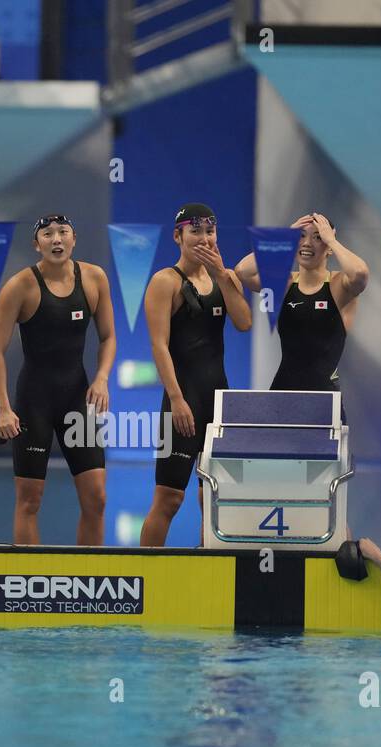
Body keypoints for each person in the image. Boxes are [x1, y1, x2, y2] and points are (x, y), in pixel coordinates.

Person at [0, 214, 116, 544]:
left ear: (74, 239)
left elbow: (108, 337)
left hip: (78, 399)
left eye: (63, 233)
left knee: (96, 498)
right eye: (47, 234)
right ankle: (29, 582)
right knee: (29, 501)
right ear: (36, 245)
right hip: (35, 402)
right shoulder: (20, 286)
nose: (56, 239)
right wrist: (3, 408)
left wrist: (101, 379)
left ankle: (88, 580)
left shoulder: (94, 278)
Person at [139, 203, 252, 547]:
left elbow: (244, 322)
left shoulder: (226, 277)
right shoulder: (165, 282)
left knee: (213, 499)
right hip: (182, 400)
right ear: (178, 236)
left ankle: (208, 570)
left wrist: (222, 274)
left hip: (218, 400)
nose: (204, 239)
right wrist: (176, 399)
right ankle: (146, 574)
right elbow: (159, 346)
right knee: (169, 498)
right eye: (195, 232)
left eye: (210, 232)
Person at [234, 212, 369, 405]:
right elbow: (242, 271)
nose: (307, 243)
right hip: (282, 393)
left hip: (324, 400)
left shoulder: (339, 286)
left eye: (317, 237)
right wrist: (284, 237)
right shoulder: (284, 283)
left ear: (328, 247)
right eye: (301, 236)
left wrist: (331, 240)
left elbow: (359, 272)